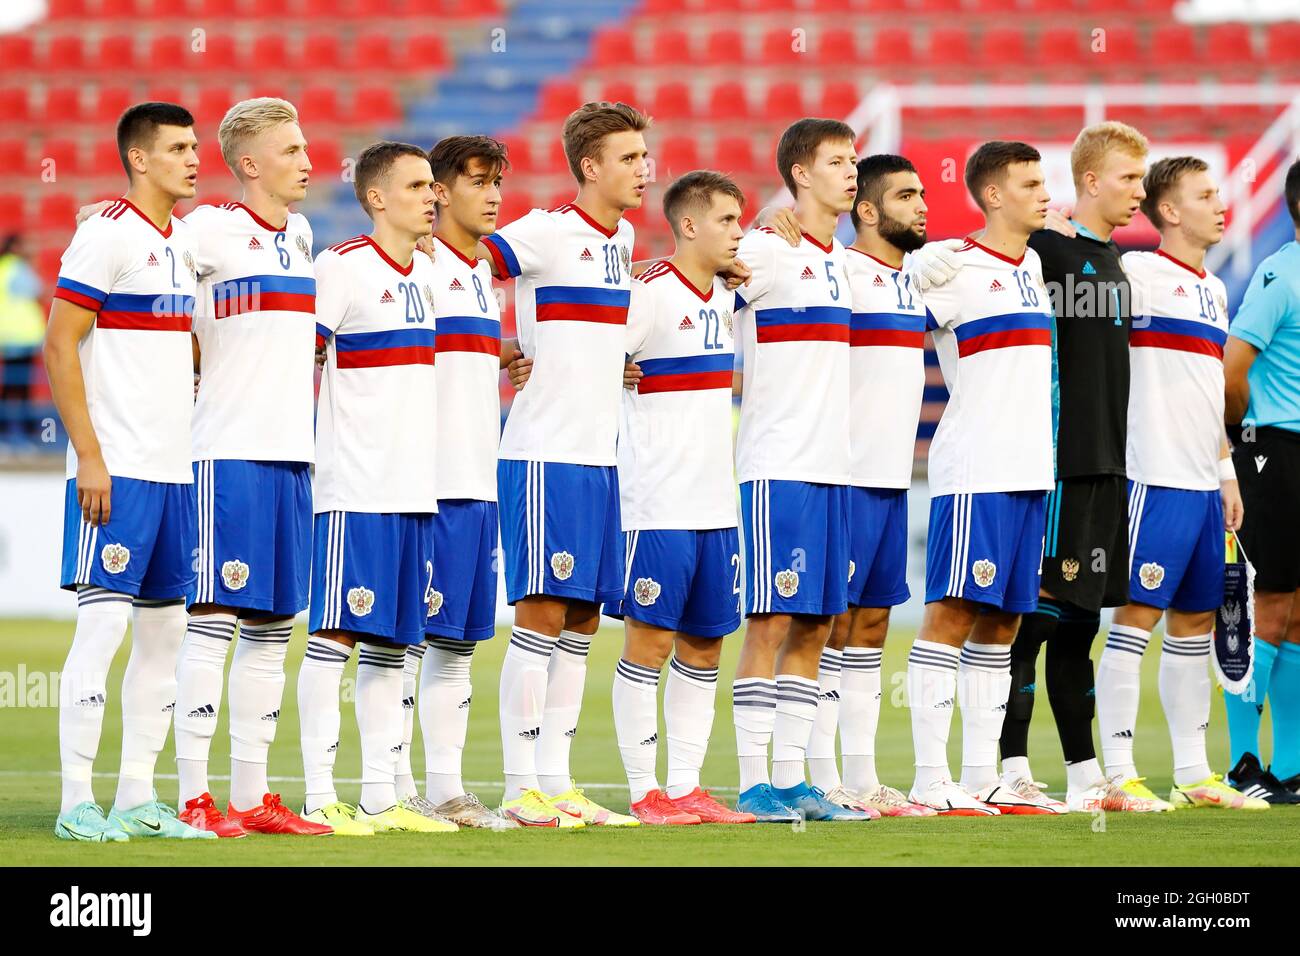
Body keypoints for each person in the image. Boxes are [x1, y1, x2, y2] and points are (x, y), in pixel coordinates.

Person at [46, 102, 213, 841]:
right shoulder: (106, 233)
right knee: (103, 631)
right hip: (118, 469)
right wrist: (89, 456)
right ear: (139, 158)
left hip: (175, 472)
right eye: (178, 147)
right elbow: (58, 344)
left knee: (164, 640)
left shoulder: (179, 242)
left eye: (195, 144)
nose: (193, 157)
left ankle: (138, 797)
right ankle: (76, 800)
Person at [479, 102, 648, 828]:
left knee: (581, 621)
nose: (644, 170)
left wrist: (620, 358)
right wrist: (495, 345)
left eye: (645, 156)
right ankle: (520, 788)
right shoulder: (545, 233)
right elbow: (459, 261)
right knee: (542, 614)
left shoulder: (626, 238)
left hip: (598, 457)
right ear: (590, 167)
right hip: (544, 456)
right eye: (630, 158)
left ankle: (558, 779)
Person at [172, 97, 330, 837]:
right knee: (214, 619)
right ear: (249, 164)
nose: (308, 161)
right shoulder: (205, 229)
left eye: (305, 148)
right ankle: (192, 797)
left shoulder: (300, 233)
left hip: (292, 456)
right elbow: (145, 296)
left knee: (272, 628)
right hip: (226, 454)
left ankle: (250, 797)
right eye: (293, 150)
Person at [1096, 156, 1270, 810]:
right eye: (1205, 195)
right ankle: (1116, 774)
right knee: (1135, 618)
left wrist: (1227, 472)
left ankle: (1194, 775)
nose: (1221, 205)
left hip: (1202, 482)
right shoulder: (1137, 274)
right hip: (1152, 475)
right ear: (1168, 210)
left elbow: (1206, 393)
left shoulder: (1214, 289)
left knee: (1195, 624)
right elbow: (1073, 296)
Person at [296, 141, 455, 835]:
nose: (434, 196)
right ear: (376, 197)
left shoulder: (425, 271)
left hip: (413, 490)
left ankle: (380, 796)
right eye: (419, 185)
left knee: (394, 646)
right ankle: (316, 793)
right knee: (334, 639)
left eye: (433, 186)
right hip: (354, 487)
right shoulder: (341, 268)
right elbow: (299, 357)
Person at [905, 141, 1059, 816]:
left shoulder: (1032, 264)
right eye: (1030, 183)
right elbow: (867, 303)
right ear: (993, 195)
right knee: (951, 615)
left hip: (1029, 469)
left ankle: (979, 774)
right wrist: (909, 265)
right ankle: (929, 776)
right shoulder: (951, 268)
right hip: (974, 469)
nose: (1044, 193)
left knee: (1003, 625)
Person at [729, 118, 872, 823]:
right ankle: (754, 780)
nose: (851, 171)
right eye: (836, 161)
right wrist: (750, 229)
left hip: (833, 467)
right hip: (777, 465)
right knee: (770, 619)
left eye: (854, 160)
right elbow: (698, 280)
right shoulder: (766, 248)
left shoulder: (843, 260)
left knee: (817, 624)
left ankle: (793, 781)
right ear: (799, 174)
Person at [604, 170, 756, 825]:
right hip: (655, 503)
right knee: (649, 643)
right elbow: (587, 353)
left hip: (714, 507)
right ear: (689, 225)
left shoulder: (726, 297)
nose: (738, 231)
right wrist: (612, 366)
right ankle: (645, 793)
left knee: (705, 645)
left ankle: (687, 786)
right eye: (726, 220)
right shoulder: (646, 294)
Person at [403, 134, 519, 829]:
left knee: (459, 642)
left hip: (479, 480)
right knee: (406, 639)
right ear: (440, 191)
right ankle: (392, 785)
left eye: (498, 182)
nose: (494, 195)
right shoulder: (415, 265)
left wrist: (503, 352)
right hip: (425, 483)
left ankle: (446, 788)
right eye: (479, 181)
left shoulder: (478, 273)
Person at [1222, 157, 1300, 799]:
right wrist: (1244, 439)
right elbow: (1233, 365)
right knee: (1268, 602)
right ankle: (1246, 764)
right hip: (1274, 448)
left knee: (1299, 610)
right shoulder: (1280, 274)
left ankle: (1294, 767)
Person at [0, 233, 45, 444]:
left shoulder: (3, 268)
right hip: (22, 335)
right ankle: (25, 431)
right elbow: (39, 291)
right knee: (22, 385)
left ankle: (7, 428)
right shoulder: (18, 268)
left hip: (7, 334)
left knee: (9, 384)